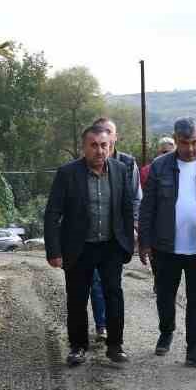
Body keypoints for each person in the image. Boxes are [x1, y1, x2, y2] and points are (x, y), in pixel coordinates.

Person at [43, 124, 138, 366]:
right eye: (93, 145)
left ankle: (115, 346)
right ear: (83, 147)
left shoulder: (120, 170)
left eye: (104, 145)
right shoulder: (67, 174)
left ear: (110, 146)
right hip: (78, 247)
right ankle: (77, 347)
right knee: (76, 298)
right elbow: (53, 213)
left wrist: (127, 244)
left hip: (110, 247)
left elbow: (127, 209)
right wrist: (54, 251)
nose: (99, 150)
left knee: (114, 295)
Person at [140, 120, 196, 367]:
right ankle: (166, 332)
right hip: (165, 247)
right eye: (185, 143)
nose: (191, 148)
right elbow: (148, 207)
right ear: (176, 140)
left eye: (195, 142)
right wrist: (144, 241)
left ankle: (194, 349)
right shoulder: (161, 166)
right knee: (165, 294)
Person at [87, 117, 138, 343]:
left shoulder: (126, 163)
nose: (104, 137)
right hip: (89, 239)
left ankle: (116, 341)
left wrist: (133, 229)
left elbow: (135, 199)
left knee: (113, 287)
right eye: (100, 133)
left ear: (114, 137)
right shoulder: (85, 163)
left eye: (108, 132)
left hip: (114, 237)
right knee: (95, 283)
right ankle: (101, 324)